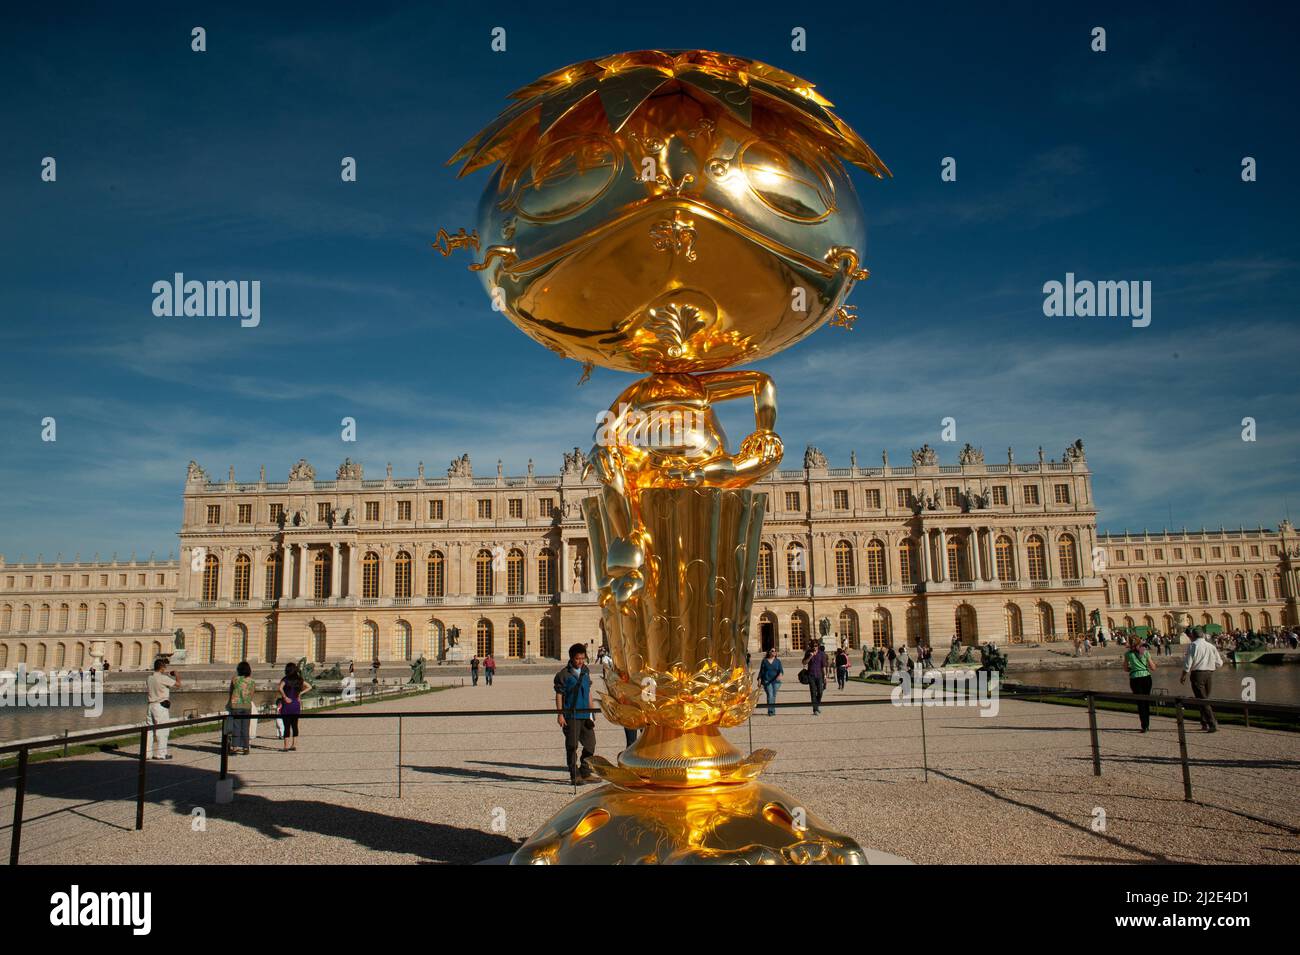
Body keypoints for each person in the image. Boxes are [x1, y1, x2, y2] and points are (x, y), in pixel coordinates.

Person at [554, 643, 597, 785]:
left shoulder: (585, 671)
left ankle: (585, 770)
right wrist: (560, 714)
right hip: (571, 715)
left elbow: (588, 692)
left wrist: (592, 712)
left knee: (591, 744)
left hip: (585, 715)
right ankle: (574, 774)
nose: (580, 662)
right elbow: (559, 695)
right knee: (572, 746)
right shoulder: (563, 675)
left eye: (583, 658)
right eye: (578, 659)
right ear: (572, 658)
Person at [1180, 627, 1222, 733]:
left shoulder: (1193, 645)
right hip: (1209, 674)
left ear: (1193, 636)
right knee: (1204, 699)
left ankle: (1212, 723)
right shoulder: (1211, 646)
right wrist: (1210, 667)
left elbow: (1188, 662)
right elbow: (1219, 663)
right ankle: (1204, 723)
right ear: (1202, 635)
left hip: (1198, 674)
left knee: (1203, 700)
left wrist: (1183, 675)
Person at [146, 657, 181, 760]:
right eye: (164, 667)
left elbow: (159, 681)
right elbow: (178, 685)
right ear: (161, 668)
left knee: (149, 731)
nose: (165, 669)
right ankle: (161, 754)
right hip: (160, 707)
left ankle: (147, 754)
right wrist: (177, 675)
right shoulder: (163, 678)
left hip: (150, 706)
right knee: (163, 730)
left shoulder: (149, 678)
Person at [1123, 635, 1156, 733]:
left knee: (1140, 702)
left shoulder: (1128, 654)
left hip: (1135, 678)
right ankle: (1147, 723)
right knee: (1146, 701)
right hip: (1146, 677)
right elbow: (1153, 668)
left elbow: (1125, 668)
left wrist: (1132, 669)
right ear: (1139, 642)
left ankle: (1144, 725)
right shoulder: (1144, 651)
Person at [278, 662, 311, 751]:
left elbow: (280, 688)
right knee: (295, 725)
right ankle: (294, 745)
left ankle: (286, 746)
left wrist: (285, 697)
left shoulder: (285, 679)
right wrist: (300, 693)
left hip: (287, 704)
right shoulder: (299, 679)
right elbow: (309, 687)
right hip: (296, 703)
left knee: (287, 726)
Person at [226, 660, 256, 754]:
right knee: (245, 727)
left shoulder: (235, 679)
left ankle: (234, 747)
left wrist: (229, 703)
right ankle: (246, 747)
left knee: (236, 726)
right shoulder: (251, 681)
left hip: (236, 705)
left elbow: (231, 692)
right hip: (247, 705)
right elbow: (252, 694)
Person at [802, 640, 827, 716]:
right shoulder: (808, 653)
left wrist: (825, 676)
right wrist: (810, 656)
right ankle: (815, 709)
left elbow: (823, 666)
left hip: (819, 675)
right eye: (813, 645)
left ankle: (817, 704)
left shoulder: (822, 654)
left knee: (820, 692)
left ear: (818, 646)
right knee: (813, 693)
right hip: (811, 675)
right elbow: (804, 663)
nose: (814, 647)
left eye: (816, 645)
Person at [758, 647, 784, 716]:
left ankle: (773, 710)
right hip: (767, 680)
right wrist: (759, 679)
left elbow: (781, 670)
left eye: (775, 651)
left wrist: (780, 675)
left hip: (776, 681)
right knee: (770, 695)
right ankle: (770, 711)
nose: (774, 652)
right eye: (772, 651)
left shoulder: (778, 661)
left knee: (773, 696)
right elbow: (761, 671)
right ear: (769, 652)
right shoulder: (764, 661)